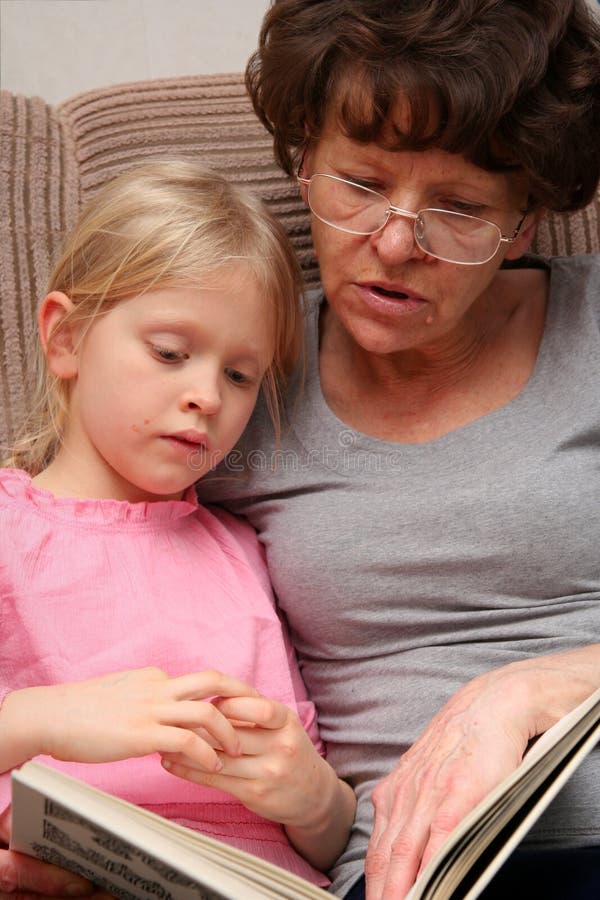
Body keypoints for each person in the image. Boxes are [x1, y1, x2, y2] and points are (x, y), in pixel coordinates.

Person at [162, 2, 598, 898]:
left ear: (523, 224)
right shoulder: (234, 383)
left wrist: (535, 688)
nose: (396, 245)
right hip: (418, 877)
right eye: (360, 186)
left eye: (461, 208)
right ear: (304, 163)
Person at [0, 159, 356, 897]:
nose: (204, 396)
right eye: (169, 353)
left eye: (239, 375)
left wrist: (314, 797)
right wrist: (37, 719)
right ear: (65, 338)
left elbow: (324, 837)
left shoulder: (241, 552)